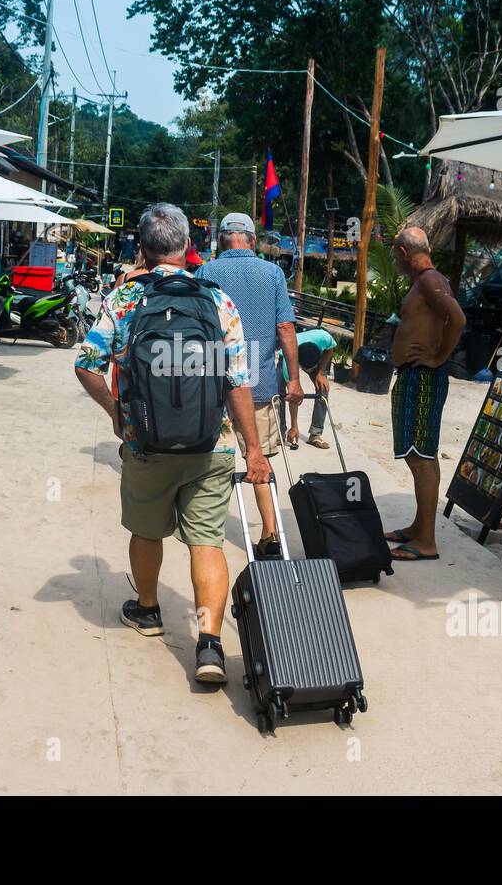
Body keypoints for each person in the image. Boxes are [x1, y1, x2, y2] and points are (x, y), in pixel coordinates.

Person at [74, 203, 272, 684]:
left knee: (147, 530)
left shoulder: (125, 300)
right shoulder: (217, 301)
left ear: (142, 249)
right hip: (213, 444)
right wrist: (253, 448)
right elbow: (238, 383)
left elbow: (86, 362)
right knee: (206, 540)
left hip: (147, 444)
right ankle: (209, 644)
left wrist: (118, 415)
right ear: (188, 248)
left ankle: (148, 611)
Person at [198, 213, 303, 557]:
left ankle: (204, 533)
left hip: (213, 385)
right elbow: (286, 328)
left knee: (213, 460)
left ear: (222, 238)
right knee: (260, 459)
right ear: (252, 240)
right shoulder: (272, 273)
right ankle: (270, 533)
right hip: (258, 384)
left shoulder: (206, 272)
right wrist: (295, 378)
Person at [385, 226, 466, 562]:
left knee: (421, 456)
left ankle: (427, 541)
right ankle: (420, 528)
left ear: (403, 252)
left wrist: (437, 357)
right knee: (418, 454)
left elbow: (457, 319)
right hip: (415, 375)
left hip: (423, 377)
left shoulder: (431, 280)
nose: (395, 261)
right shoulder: (427, 281)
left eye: (395, 255)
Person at [277, 328, 337, 450]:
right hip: (288, 355)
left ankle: (315, 434)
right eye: (306, 369)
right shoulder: (288, 361)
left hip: (309, 353)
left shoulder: (324, 337)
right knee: (279, 391)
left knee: (323, 388)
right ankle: (280, 431)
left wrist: (320, 373)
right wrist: (294, 426)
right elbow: (293, 395)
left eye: (311, 368)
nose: (308, 372)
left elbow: (330, 350)